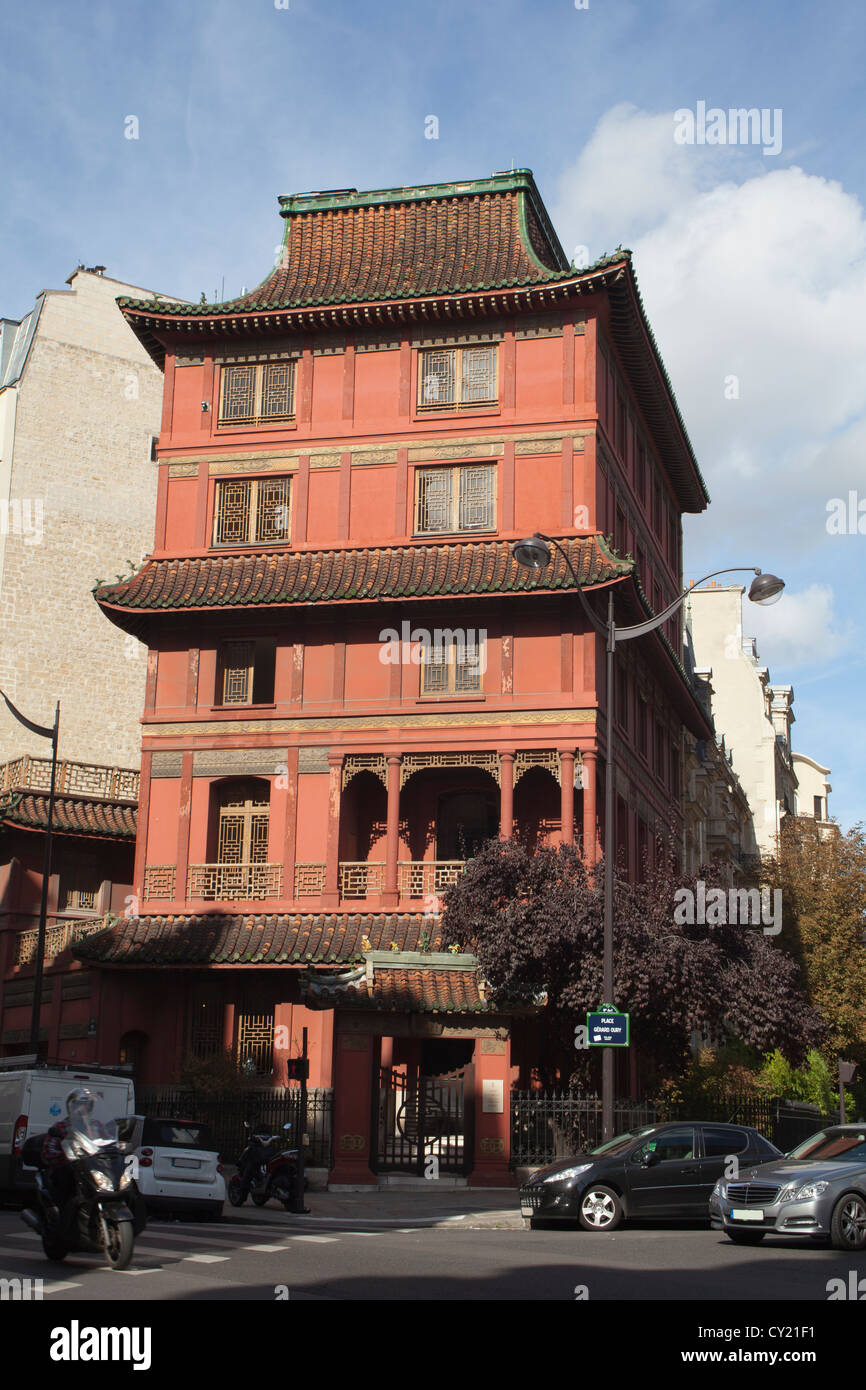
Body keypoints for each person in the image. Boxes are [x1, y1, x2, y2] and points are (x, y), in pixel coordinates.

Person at [41, 1088, 104, 1211]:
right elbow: (49, 1151)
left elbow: (107, 1142)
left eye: (87, 1105)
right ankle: (63, 1215)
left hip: (92, 1169)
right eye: (80, 1105)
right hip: (70, 1168)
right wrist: (62, 1155)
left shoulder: (97, 1126)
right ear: (72, 1107)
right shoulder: (61, 1126)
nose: (83, 1109)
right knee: (65, 1177)